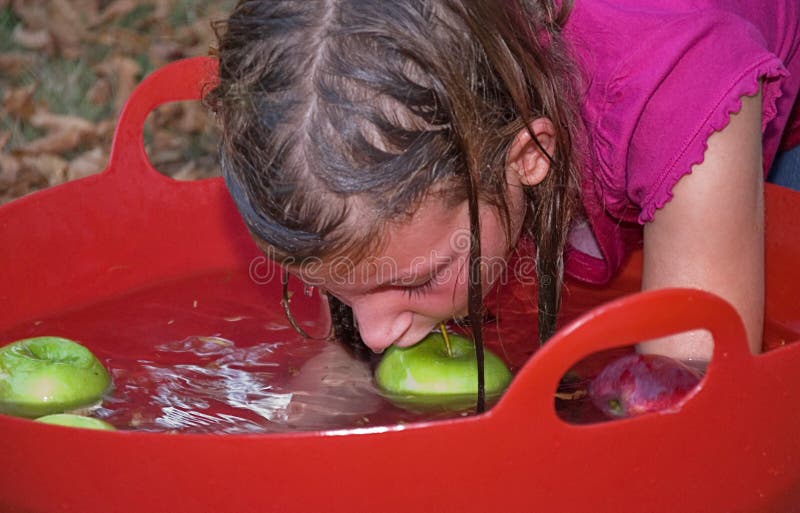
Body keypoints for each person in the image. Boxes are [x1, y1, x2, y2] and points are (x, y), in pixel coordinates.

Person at [206, 0, 800, 375]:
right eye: (333, 286)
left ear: (530, 153)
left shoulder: (677, 84)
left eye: (415, 280)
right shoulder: (357, 86)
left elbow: (692, 395)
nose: (376, 333)